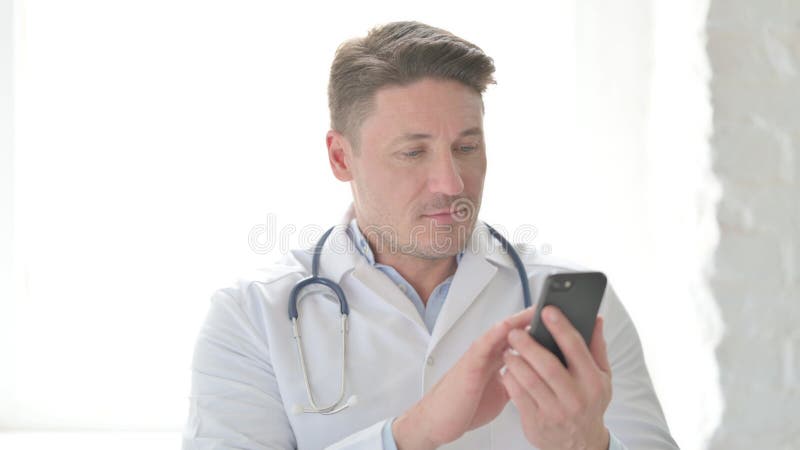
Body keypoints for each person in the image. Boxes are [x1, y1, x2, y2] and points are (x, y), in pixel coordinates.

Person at [182, 21, 678, 450]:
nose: (452, 183)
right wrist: (412, 433)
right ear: (340, 157)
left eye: (466, 147)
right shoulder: (249, 317)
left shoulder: (578, 309)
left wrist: (589, 445)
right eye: (414, 153)